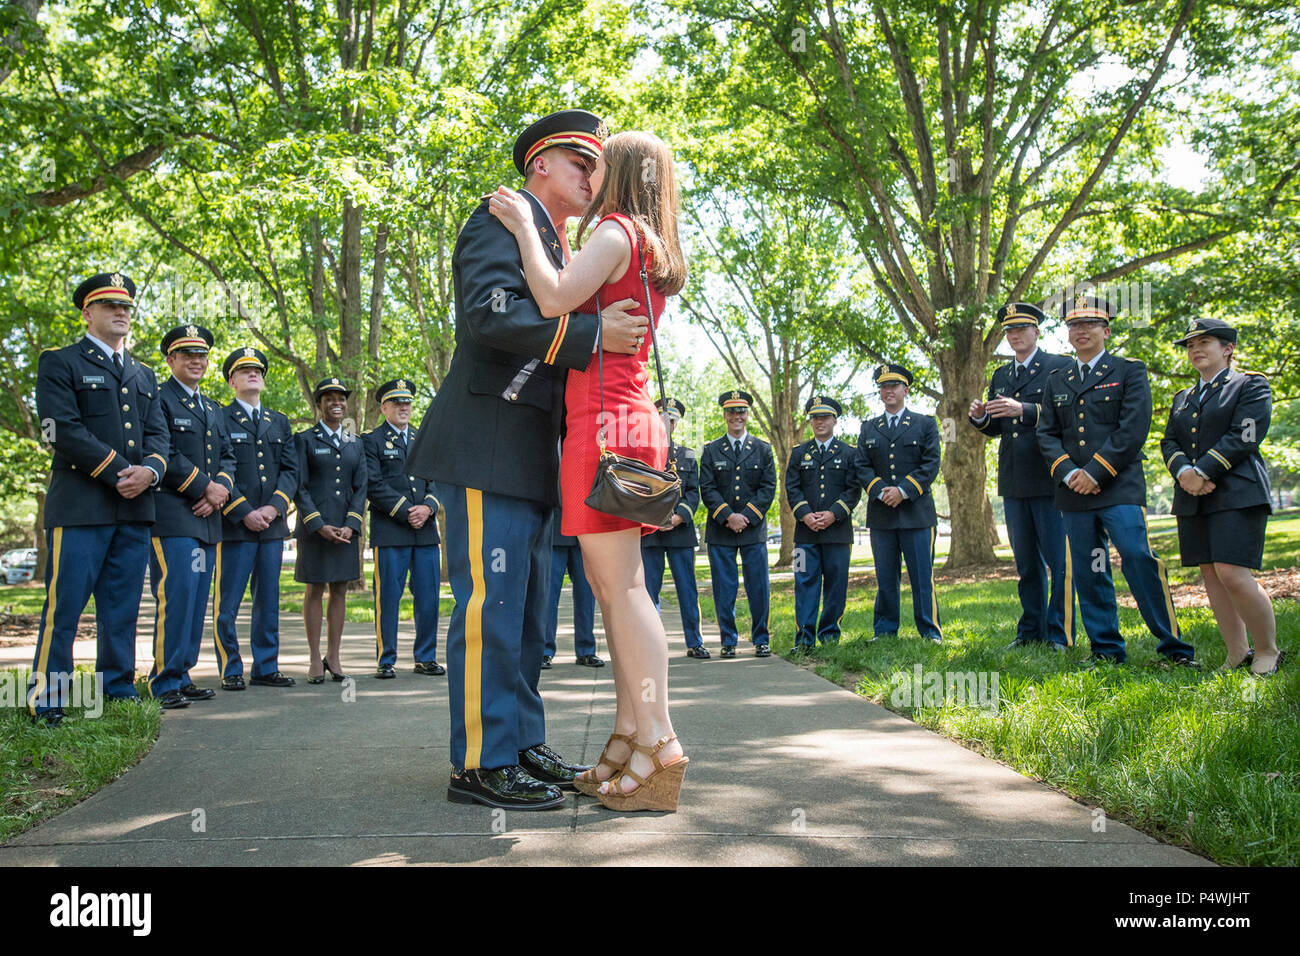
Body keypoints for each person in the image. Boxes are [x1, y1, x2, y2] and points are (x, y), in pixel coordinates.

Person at [406, 109, 646, 810]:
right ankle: (479, 762)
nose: (593, 176)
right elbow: (488, 314)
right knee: (491, 606)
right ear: (540, 162)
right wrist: (594, 332)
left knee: (531, 614)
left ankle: (518, 742)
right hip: (487, 446)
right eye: (582, 163)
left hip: (532, 454)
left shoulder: (555, 246)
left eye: (599, 166)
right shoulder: (499, 220)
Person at [487, 127, 690, 812]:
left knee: (624, 592)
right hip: (622, 422)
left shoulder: (615, 232)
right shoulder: (645, 240)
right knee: (614, 591)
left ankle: (659, 737)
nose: (589, 173)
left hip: (606, 428)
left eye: (598, 165)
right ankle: (632, 732)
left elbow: (550, 300)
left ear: (621, 172)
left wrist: (521, 224)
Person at [27, 272, 169, 726]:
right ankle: (47, 698)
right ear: (87, 313)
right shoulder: (61, 362)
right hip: (81, 505)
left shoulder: (144, 374)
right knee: (65, 606)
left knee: (122, 607)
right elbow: (61, 429)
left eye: (125, 306)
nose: (121, 312)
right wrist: (117, 473)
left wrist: (150, 471)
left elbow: (159, 434)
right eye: (110, 306)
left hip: (135, 508)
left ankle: (117, 687)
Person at [1037, 295, 1196, 667]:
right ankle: (1106, 648)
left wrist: (1096, 471)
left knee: (1138, 558)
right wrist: (1068, 472)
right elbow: (1046, 434)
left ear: (1106, 330)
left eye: (1089, 325)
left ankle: (1174, 647)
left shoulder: (1129, 371)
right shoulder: (1057, 379)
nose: (1081, 331)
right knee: (1091, 567)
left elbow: (1133, 428)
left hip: (1118, 487)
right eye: (1074, 326)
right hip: (1073, 493)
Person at [1160, 318, 1282, 675]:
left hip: (1238, 491)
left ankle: (1267, 651)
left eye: (1205, 342)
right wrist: (1184, 473)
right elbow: (1169, 441)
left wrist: (1203, 472)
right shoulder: (1183, 398)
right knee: (1211, 575)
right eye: (1190, 345)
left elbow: (1246, 434)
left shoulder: (1250, 385)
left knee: (1233, 573)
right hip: (1192, 496)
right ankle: (1237, 652)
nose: (1195, 349)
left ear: (1227, 348)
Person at [969, 302, 1075, 651]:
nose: (1014, 336)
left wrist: (1025, 409)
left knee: (1059, 563)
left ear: (1036, 332)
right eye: (1009, 331)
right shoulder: (1001, 376)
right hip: (1014, 480)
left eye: (1021, 329)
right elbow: (997, 428)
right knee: (1026, 563)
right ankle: (1031, 631)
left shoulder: (1059, 366)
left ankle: (1060, 633)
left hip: (1049, 477)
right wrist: (981, 418)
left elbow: (1069, 414)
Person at [146, 325, 238, 708]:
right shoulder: (159, 399)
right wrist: (204, 487)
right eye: (187, 355)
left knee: (199, 599)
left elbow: (229, 456)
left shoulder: (213, 408)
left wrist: (219, 491)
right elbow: (161, 450)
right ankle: (163, 680)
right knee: (177, 594)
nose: (196, 362)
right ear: (170, 360)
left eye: (201, 356)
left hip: (208, 517)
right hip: (173, 514)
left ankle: (183, 673)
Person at [212, 346, 298, 690]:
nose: (253, 374)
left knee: (269, 601)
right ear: (232, 380)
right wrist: (244, 511)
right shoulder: (219, 417)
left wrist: (275, 507)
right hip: (235, 526)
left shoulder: (279, 421)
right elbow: (218, 467)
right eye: (245, 371)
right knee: (228, 601)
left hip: (272, 526)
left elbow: (291, 471)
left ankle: (266, 666)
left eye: (258, 371)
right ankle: (230, 667)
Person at [362, 379, 444, 679]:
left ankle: (426, 657)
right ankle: (386, 659)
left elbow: (437, 479)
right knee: (388, 598)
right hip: (390, 530)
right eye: (397, 403)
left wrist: (429, 507)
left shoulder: (424, 437)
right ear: (384, 407)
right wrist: (405, 511)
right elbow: (372, 483)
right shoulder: (371, 441)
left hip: (425, 532)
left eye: (407, 403)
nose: (404, 408)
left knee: (428, 597)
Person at [856, 364, 943, 642]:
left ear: (906, 390)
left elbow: (930, 464)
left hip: (917, 515)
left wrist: (903, 490)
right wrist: (882, 491)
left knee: (922, 578)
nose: (888, 391)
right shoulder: (869, 427)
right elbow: (861, 466)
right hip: (882, 515)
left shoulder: (925, 424)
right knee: (885, 578)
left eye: (894, 386)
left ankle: (930, 632)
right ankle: (884, 631)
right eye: (883, 386)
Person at [294, 378, 366, 683]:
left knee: (339, 590)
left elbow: (361, 487)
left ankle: (333, 656)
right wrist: (317, 524)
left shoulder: (355, 442)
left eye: (341, 398)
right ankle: (314, 658)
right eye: (329, 398)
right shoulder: (305, 439)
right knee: (315, 588)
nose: (336, 403)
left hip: (345, 531)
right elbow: (299, 486)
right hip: (315, 529)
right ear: (318, 404)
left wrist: (351, 525)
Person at [698, 390, 777, 658]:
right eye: (731, 412)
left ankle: (761, 639)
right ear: (724, 415)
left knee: (758, 588)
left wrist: (747, 516)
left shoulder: (764, 449)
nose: (736, 416)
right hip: (721, 530)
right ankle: (728, 641)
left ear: (748, 414)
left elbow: (768, 488)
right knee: (724, 589)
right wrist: (728, 516)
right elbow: (707, 488)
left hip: (753, 531)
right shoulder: (711, 450)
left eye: (741, 411)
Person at [785, 396, 861, 654]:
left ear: (835, 420)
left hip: (838, 535)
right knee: (804, 583)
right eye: (815, 417)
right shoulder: (797, 453)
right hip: (804, 536)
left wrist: (833, 514)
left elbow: (853, 490)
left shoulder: (849, 453)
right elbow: (792, 489)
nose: (820, 422)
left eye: (825, 417)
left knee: (836, 586)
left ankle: (829, 638)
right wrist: (805, 515)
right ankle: (804, 639)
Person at [641, 398, 707, 659]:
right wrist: (656, 518)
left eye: (671, 419)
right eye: (661, 418)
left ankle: (695, 641)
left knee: (687, 590)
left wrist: (679, 517)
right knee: (648, 591)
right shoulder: (643, 452)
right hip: (651, 532)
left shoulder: (689, 455)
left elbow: (694, 493)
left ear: (676, 423)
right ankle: (650, 645)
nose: (666, 423)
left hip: (680, 532)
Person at [545, 507, 603, 668]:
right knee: (548, 597)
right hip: (555, 529)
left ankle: (586, 651)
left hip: (585, 531)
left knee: (586, 597)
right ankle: (544, 651)